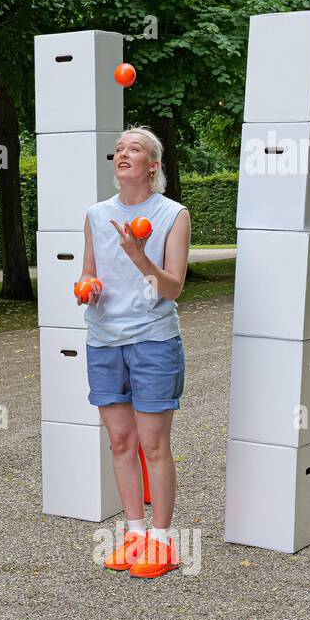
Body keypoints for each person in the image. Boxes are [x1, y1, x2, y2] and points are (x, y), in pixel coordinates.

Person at [79, 127, 191, 579]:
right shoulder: (95, 214)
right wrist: (87, 290)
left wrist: (140, 256)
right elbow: (89, 273)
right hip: (103, 340)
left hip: (152, 340)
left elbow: (173, 287)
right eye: (120, 149)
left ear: (153, 165)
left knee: (153, 444)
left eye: (135, 149)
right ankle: (134, 535)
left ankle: (163, 543)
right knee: (121, 442)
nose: (124, 153)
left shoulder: (172, 214)